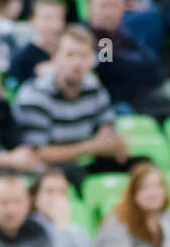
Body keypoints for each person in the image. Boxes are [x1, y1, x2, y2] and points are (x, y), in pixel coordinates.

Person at [12, 25, 130, 177]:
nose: (77, 63)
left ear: (92, 60)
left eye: (83, 55)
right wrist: (93, 146)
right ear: (55, 57)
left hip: (84, 163)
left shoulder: (94, 87)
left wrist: (110, 141)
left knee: (140, 164)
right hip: (48, 172)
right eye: (70, 55)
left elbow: (106, 127)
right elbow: (38, 153)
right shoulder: (34, 95)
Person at [32, 168, 95, 247]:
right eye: (49, 191)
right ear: (35, 197)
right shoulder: (28, 230)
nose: (56, 198)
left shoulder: (77, 232)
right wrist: (60, 230)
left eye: (62, 192)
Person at [7, 0, 65, 87]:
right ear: (33, 21)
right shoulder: (21, 60)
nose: (55, 25)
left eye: (60, 18)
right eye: (48, 18)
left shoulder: (70, 52)